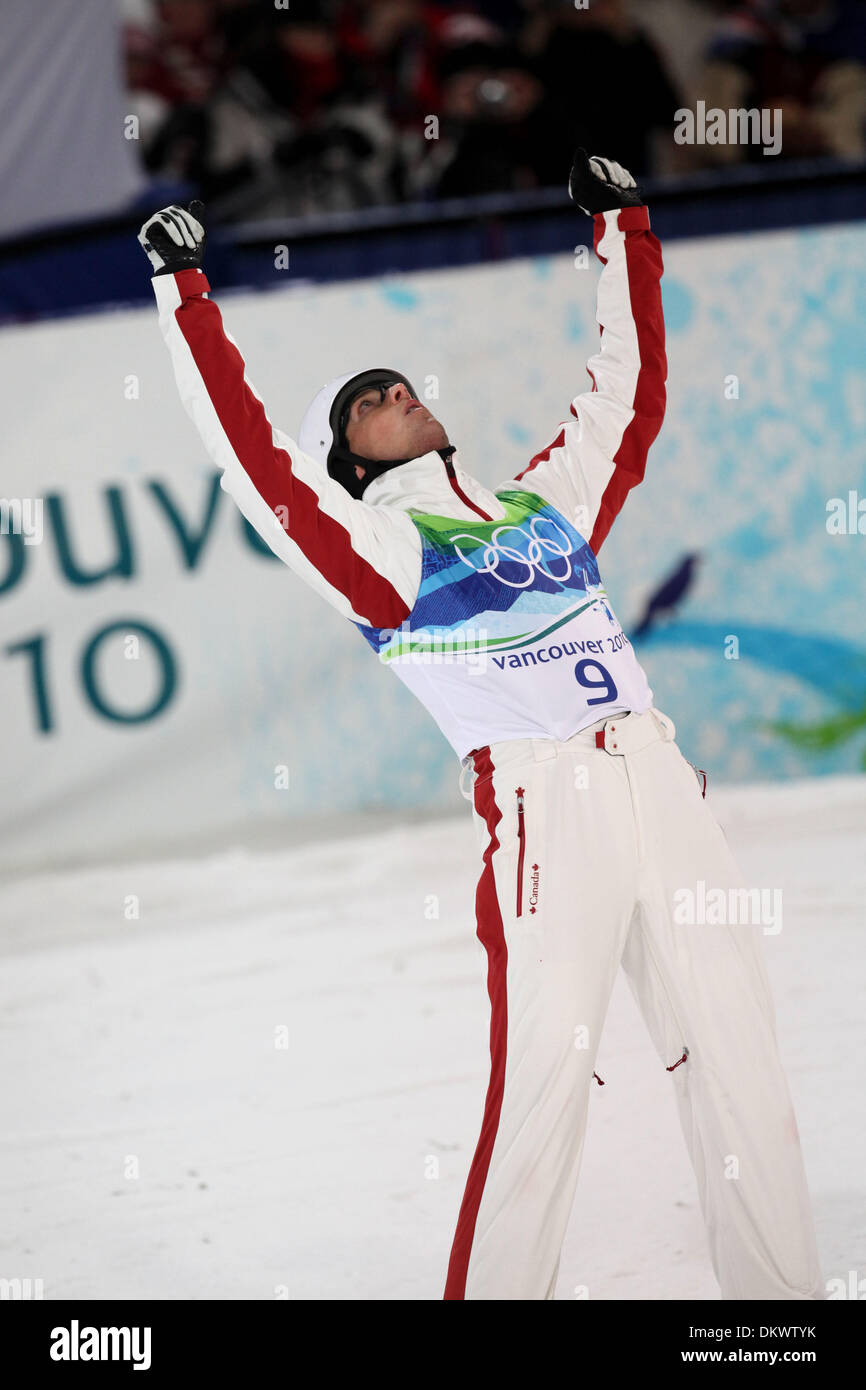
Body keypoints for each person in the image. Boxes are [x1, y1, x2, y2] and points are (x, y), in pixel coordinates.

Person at [137, 151, 824, 1301]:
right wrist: (187, 296)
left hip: (661, 782)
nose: (395, 390)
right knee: (540, 1100)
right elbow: (258, 472)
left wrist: (622, 228)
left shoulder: (541, 504)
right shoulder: (377, 554)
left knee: (743, 1069)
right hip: (546, 813)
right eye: (368, 399)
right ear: (349, 459)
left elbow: (627, 395)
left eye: (398, 380)